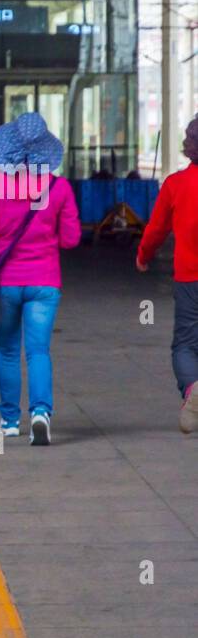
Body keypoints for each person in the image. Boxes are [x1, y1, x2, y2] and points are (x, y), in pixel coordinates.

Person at [0, 113, 79, 445]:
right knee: (38, 351)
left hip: (5, 283)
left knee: (7, 350)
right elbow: (71, 239)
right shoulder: (59, 188)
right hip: (45, 282)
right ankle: (41, 414)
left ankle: (8, 420)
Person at [135, 114, 198, 432]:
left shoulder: (176, 184)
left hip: (189, 278)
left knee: (186, 343)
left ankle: (191, 388)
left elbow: (156, 230)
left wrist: (143, 256)